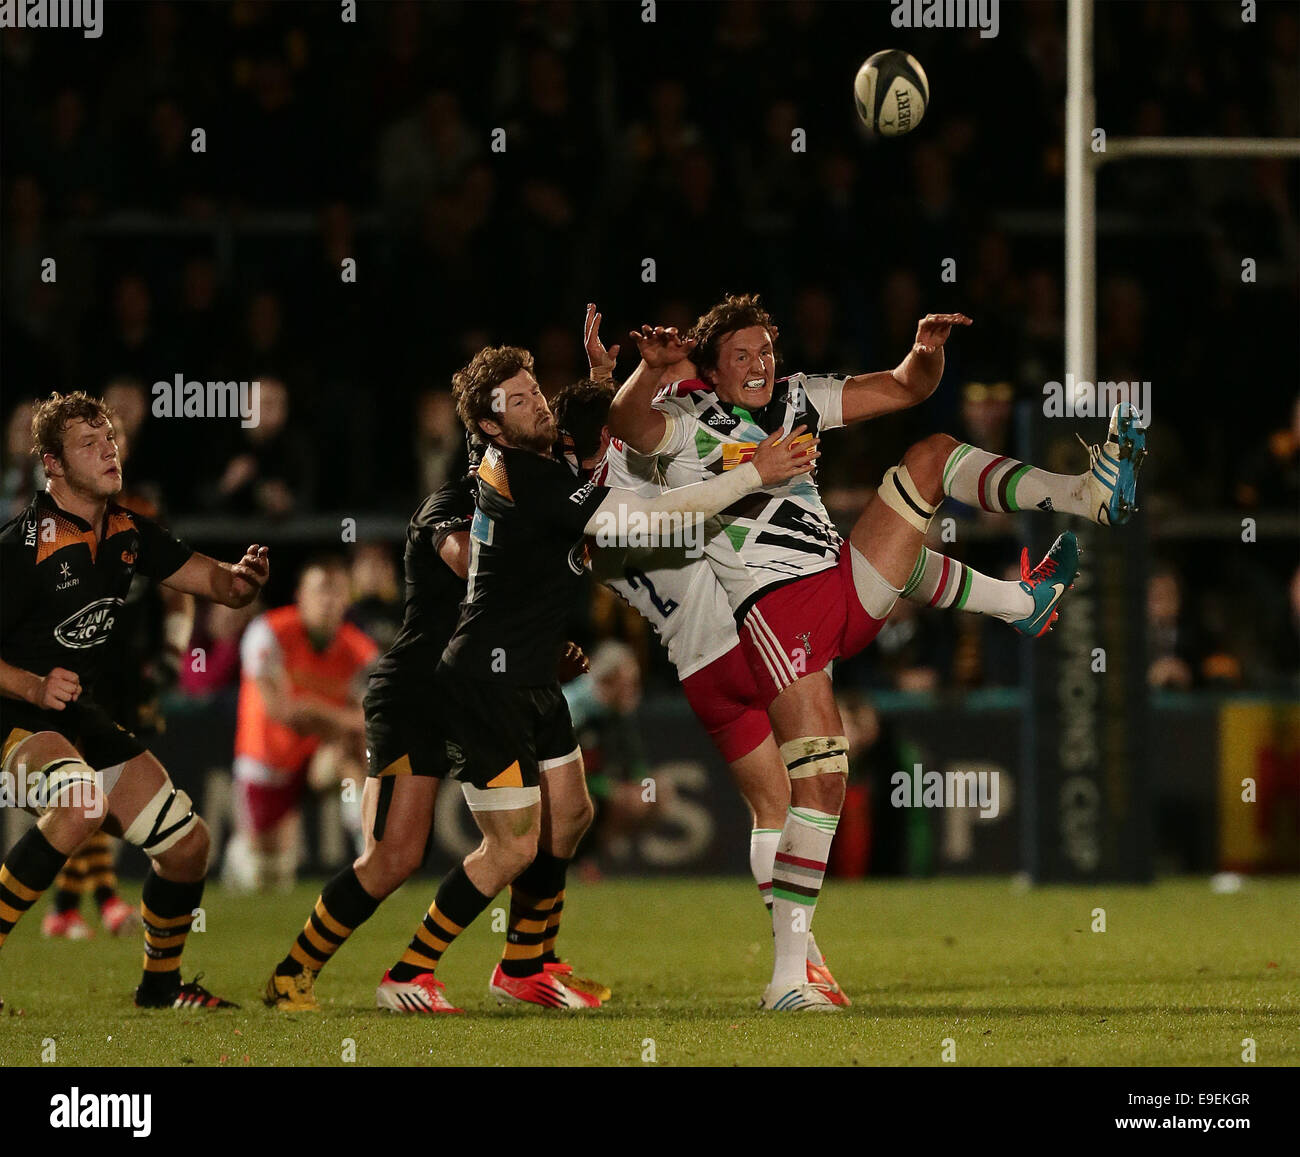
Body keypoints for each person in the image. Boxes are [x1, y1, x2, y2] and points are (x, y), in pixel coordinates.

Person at [608, 293, 1145, 1009]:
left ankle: (1084, 497)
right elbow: (626, 423)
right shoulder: (684, 422)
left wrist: (925, 353)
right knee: (822, 785)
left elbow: (904, 387)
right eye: (742, 355)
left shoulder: (800, 399)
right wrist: (647, 372)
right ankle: (788, 978)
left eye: (767, 349)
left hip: (838, 587)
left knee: (932, 456)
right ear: (710, 369)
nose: (762, 364)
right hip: (777, 613)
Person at [365, 343, 816, 1014]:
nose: (536, 404)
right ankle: (408, 971)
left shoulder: (548, 453)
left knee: (571, 813)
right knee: (513, 844)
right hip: (486, 682)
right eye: (518, 401)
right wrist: (755, 473)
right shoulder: (525, 474)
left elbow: (586, 419)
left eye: (534, 391)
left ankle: (524, 966)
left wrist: (611, 375)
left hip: (530, 673)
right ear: (489, 427)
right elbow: (643, 519)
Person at [0, 391, 270, 1010]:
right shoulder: (23, 548)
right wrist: (35, 687)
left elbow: (209, 581)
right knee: (80, 801)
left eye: (110, 439)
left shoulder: (125, 528)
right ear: (53, 465)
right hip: (12, 714)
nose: (108, 451)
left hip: (73, 716)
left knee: (188, 846)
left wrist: (239, 581)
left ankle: (160, 988)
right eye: (88, 444)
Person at [224, 556, 376, 892]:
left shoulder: (360, 650)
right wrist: (337, 718)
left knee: (354, 751)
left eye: (337, 593)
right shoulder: (268, 632)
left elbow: (369, 723)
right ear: (300, 596)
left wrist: (313, 710)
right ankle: (242, 853)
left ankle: (370, 851)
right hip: (269, 757)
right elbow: (283, 712)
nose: (329, 601)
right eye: (321, 591)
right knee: (268, 875)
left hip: (316, 758)